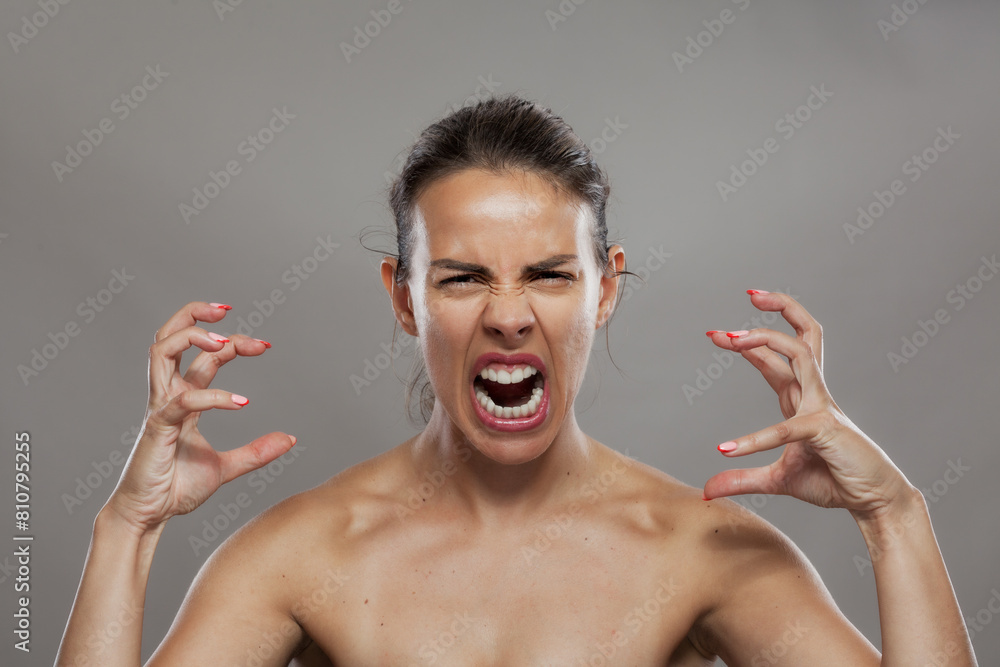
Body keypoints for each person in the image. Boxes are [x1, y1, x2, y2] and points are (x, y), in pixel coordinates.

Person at [56, 94, 977, 666]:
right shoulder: (304, 554)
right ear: (406, 300)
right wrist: (125, 529)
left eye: (548, 273)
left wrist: (896, 516)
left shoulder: (701, 554)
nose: (507, 314)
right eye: (462, 277)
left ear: (605, 288)